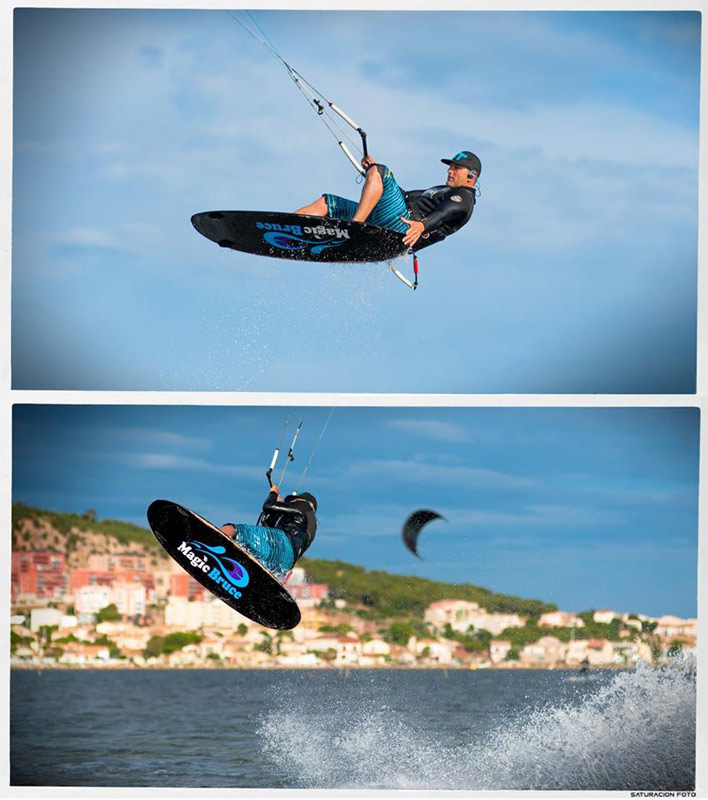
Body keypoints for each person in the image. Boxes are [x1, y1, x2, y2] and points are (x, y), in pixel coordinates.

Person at [294, 150, 481, 251]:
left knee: (381, 171)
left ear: (471, 176)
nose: (449, 170)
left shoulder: (465, 198)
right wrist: (372, 172)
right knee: (327, 203)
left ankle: (353, 227)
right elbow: (403, 195)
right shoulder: (441, 190)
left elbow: (445, 213)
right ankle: (286, 228)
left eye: (456, 168)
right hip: (389, 219)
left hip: (403, 229)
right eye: (451, 167)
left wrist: (422, 226)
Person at [221, 485, 317, 580]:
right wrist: (277, 512)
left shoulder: (304, 506)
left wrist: (274, 493)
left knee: (234, 529)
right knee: (254, 571)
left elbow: (268, 506)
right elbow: (267, 528)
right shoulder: (311, 527)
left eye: (294, 501)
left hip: (280, 543)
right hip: (286, 563)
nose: (292, 502)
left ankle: (216, 541)